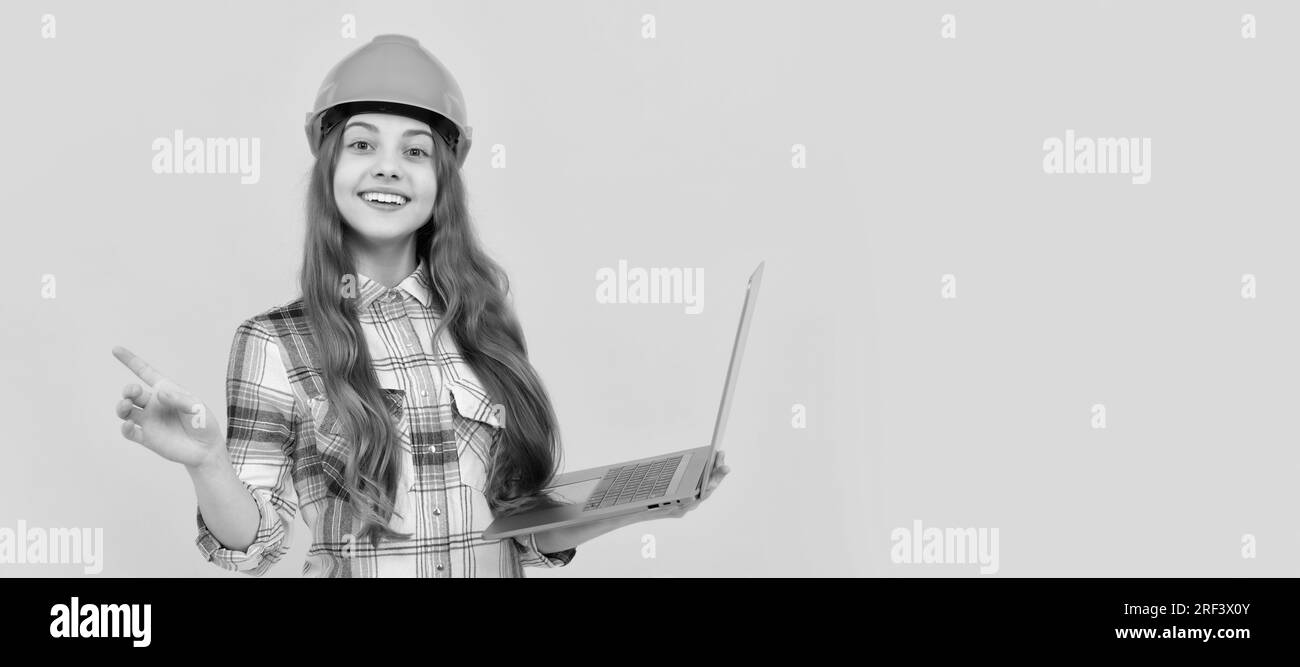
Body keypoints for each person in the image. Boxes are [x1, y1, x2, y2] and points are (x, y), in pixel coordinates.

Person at [111, 34, 727, 577]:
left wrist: (646, 502)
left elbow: (523, 528)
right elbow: (254, 549)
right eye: (361, 145)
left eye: (414, 151)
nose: (388, 169)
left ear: (442, 179)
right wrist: (209, 463)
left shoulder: (483, 324)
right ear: (329, 166)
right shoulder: (275, 342)